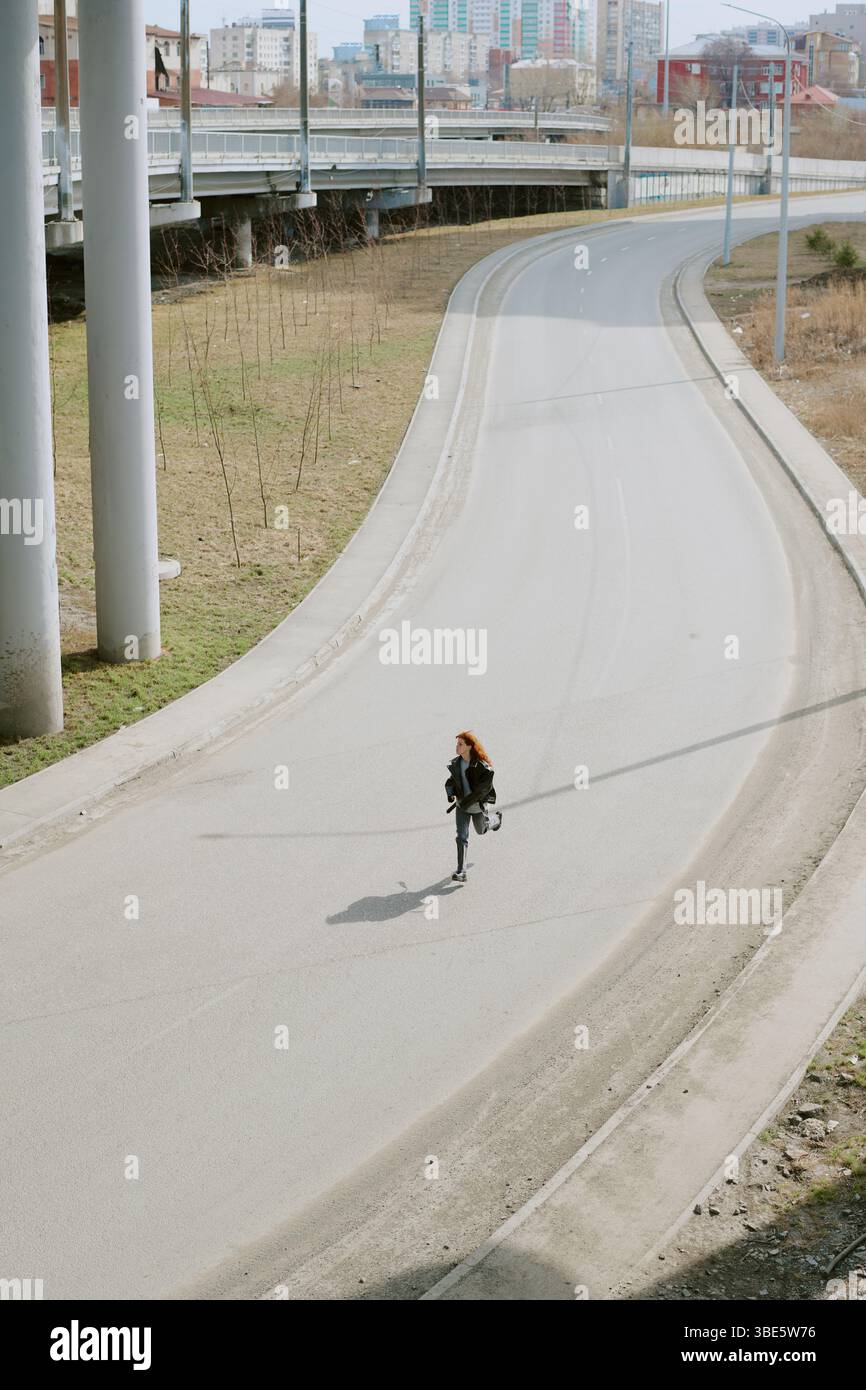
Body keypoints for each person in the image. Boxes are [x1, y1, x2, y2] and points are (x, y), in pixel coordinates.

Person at [445, 731, 502, 883]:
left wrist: (468, 802)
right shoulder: (456, 764)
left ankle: (495, 819)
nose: (457, 747)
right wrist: (450, 793)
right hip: (461, 806)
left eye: (460, 744)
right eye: (457, 744)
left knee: (481, 830)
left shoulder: (483, 768)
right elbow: (451, 780)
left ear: (469, 746)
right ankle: (461, 871)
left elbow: (483, 789)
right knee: (461, 837)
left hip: (477, 806)